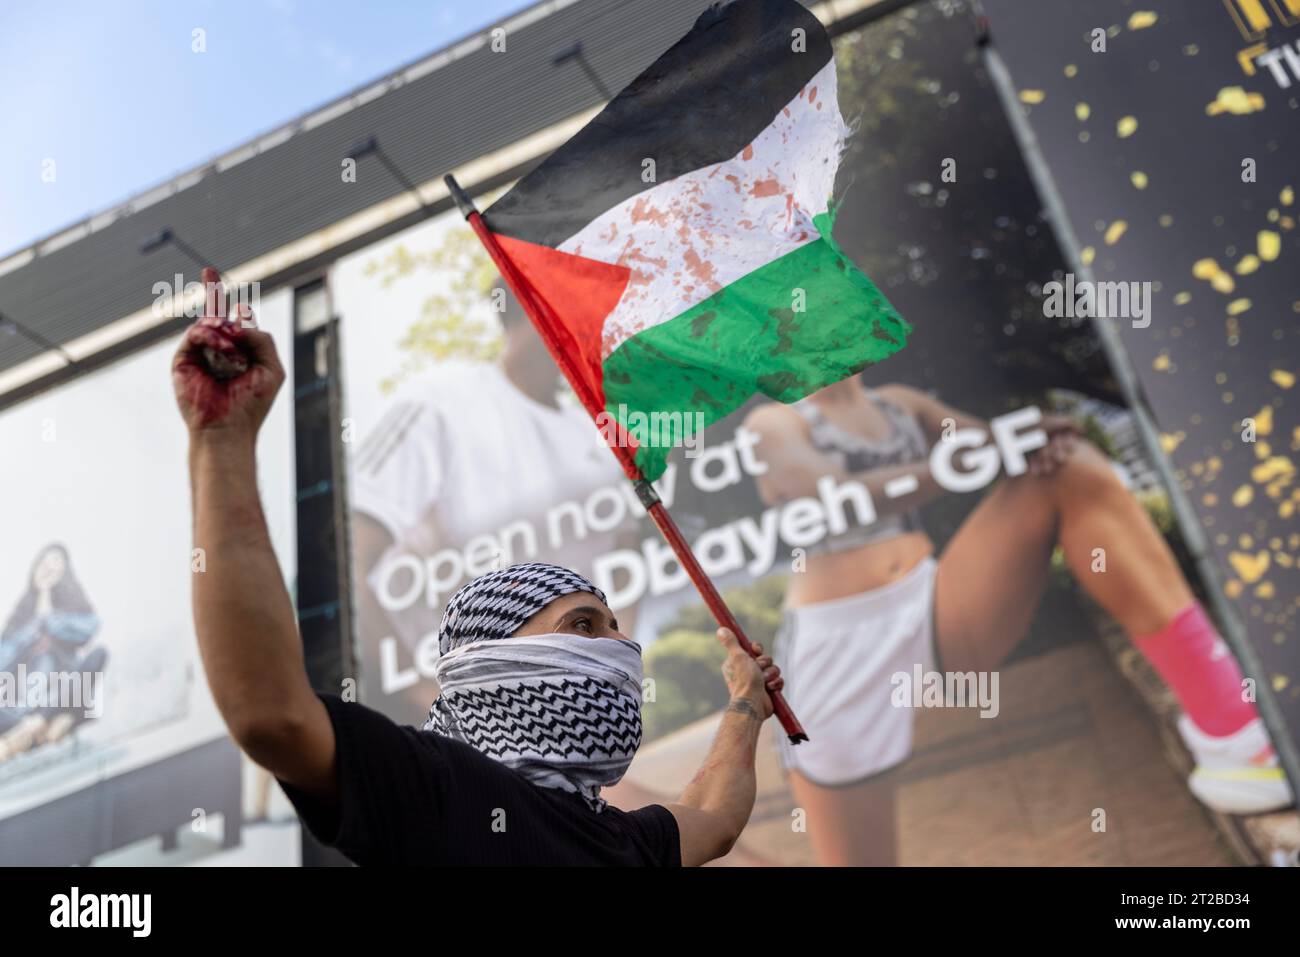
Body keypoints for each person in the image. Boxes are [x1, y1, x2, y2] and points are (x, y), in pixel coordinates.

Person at [172, 275, 783, 865]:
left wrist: (746, 701)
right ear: (490, 663)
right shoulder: (442, 790)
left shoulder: (617, 839)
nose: (620, 647)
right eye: (584, 627)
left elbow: (715, 818)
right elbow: (269, 715)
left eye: (612, 626)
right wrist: (221, 438)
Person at [744, 376, 1293, 866]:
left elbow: (996, 445)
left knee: (1066, 468)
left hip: (926, 599)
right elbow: (825, 493)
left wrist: (1036, 438)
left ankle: (1235, 738)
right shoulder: (775, 420)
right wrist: (968, 459)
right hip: (834, 650)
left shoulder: (902, 402)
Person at [350, 280, 628, 716]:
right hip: (440, 727)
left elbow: (621, 578)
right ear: (526, 309)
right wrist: (428, 698)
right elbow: (347, 560)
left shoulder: (598, 445)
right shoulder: (436, 406)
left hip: (560, 721)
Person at [0, 543, 106, 762]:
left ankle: (39, 725)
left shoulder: (73, 608)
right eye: (44, 562)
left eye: (57, 562)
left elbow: (88, 628)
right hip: (21, 701)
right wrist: (35, 623)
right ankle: (43, 728)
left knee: (98, 656)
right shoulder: (21, 616)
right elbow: (4, 659)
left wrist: (47, 615)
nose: (49, 567)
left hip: (61, 693)